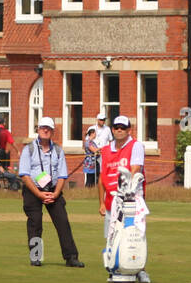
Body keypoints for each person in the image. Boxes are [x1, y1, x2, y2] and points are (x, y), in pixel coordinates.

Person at [18, 116, 83, 269]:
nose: (45, 130)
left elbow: (62, 175)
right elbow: (25, 176)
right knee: (35, 223)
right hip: (33, 191)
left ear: (53, 131)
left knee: (63, 223)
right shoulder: (29, 149)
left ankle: (71, 257)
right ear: (38, 130)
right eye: (42, 128)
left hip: (53, 189)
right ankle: (36, 256)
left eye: (48, 128)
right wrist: (39, 194)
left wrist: (55, 193)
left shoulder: (58, 150)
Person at [99, 115, 145, 238]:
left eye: (123, 128)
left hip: (130, 202)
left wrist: (123, 193)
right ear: (112, 130)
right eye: (117, 127)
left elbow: (135, 170)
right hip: (110, 202)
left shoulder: (136, 146)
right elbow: (102, 177)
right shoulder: (106, 150)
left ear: (129, 130)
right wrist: (101, 203)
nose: (119, 130)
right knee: (111, 240)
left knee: (130, 239)